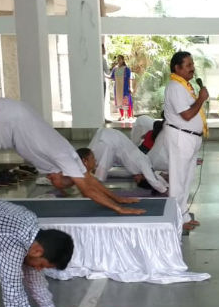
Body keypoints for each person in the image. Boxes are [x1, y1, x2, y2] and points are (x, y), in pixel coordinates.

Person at [0, 98, 144, 215]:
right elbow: (88, 191)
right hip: (5, 117)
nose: (52, 181)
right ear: (65, 173)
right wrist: (119, 209)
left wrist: (118, 198)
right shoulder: (65, 157)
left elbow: (91, 183)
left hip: (12, 117)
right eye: (57, 182)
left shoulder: (71, 159)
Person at [162, 51, 209, 231]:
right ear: (177, 68)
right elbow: (187, 114)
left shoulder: (185, 86)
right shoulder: (175, 86)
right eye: (188, 65)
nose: (192, 68)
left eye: (192, 64)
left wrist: (198, 99)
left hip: (190, 137)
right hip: (181, 136)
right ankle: (175, 219)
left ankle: (183, 215)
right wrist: (201, 99)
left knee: (187, 178)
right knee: (178, 179)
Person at [87, 127, 168, 193]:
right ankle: (90, 188)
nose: (135, 179)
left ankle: (86, 183)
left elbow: (120, 173)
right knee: (98, 171)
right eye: (138, 180)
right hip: (112, 141)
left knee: (90, 160)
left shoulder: (137, 170)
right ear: (144, 177)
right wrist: (165, 191)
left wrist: (165, 184)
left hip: (109, 136)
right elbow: (152, 180)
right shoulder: (145, 164)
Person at [110, 55, 133, 122]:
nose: (118, 60)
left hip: (125, 88)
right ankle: (122, 116)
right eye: (118, 59)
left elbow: (129, 79)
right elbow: (111, 77)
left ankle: (129, 116)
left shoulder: (126, 69)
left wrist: (130, 87)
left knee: (127, 102)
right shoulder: (115, 69)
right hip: (117, 88)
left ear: (123, 60)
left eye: (120, 59)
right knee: (119, 102)